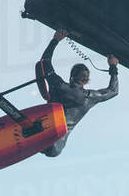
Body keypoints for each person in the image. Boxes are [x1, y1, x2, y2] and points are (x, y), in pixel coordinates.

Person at [39, 29, 119, 157]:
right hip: (57, 147)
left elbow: (44, 62)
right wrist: (113, 66)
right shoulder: (90, 97)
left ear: (71, 77)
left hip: (41, 136)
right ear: (86, 81)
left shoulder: (59, 85)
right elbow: (113, 90)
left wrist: (55, 40)